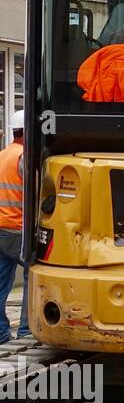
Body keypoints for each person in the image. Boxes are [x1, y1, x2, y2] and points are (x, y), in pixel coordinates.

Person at [0, 111, 30, 342]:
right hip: (17, 229)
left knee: (1, 282)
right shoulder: (24, 158)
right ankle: (26, 330)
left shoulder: (2, 155)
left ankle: (1, 332)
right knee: (34, 276)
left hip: (0, 229)